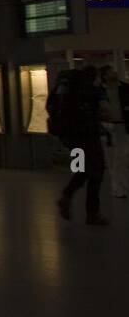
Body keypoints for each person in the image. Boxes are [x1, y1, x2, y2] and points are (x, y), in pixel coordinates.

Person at [56, 66, 110, 225]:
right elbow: (107, 111)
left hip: (72, 139)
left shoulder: (68, 92)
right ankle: (92, 213)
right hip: (90, 137)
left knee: (80, 169)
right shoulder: (93, 91)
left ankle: (67, 195)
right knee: (97, 172)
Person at [99, 65, 128, 200]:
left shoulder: (125, 88)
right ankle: (117, 187)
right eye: (111, 72)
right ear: (104, 76)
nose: (114, 73)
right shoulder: (99, 91)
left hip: (124, 126)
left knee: (122, 157)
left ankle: (120, 185)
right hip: (108, 128)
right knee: (114, 159)